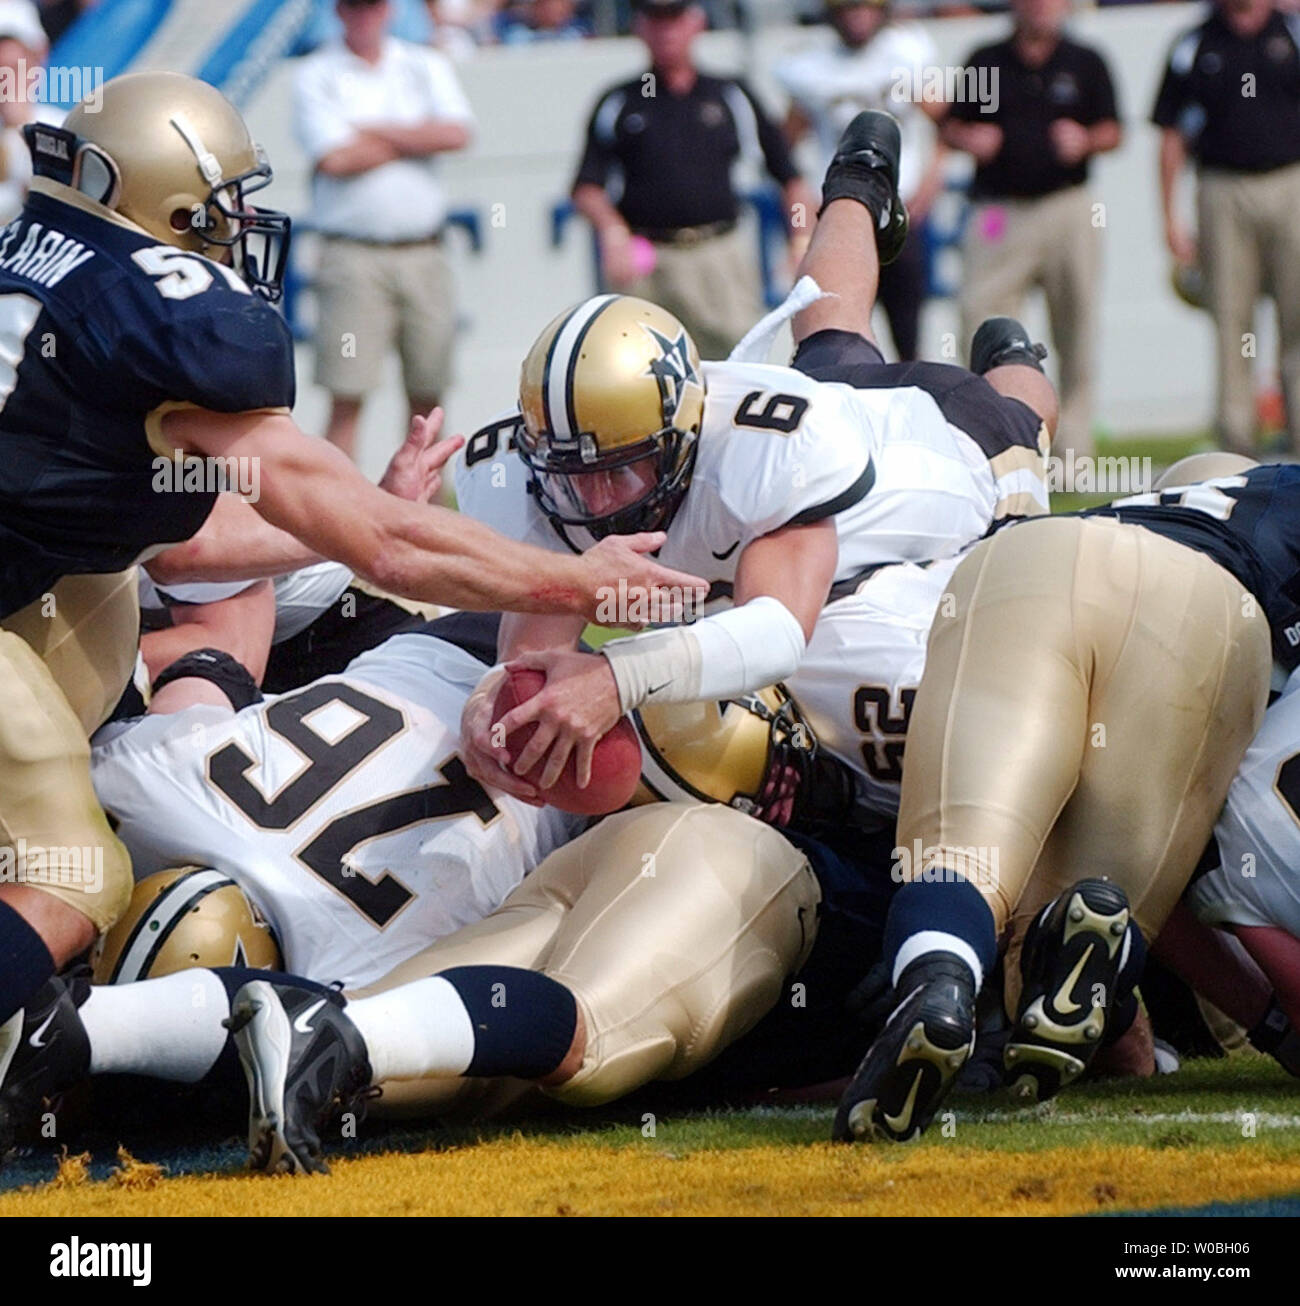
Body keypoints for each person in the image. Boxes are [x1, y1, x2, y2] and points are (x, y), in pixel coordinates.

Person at [0, 69, 702, 1051]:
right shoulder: (164, 320)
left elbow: (188, 536)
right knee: (77, 873)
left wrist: (362, 509)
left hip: (52, 625)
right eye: (220, 208)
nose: (236, 229)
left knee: (101, 604)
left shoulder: (31, 259)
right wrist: (580, 582)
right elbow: (385, 548)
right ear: (165, 199)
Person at [457, 111, 1055, 803]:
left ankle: (1008, 350)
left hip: (943, 443)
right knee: (832, 336)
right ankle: (860, 183)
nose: (593, 502)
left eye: (618, 469)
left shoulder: (766, 463)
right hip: (834, 405)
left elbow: (775, 631)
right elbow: (527, 658)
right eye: (572, 475)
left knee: (1023, 424)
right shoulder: (551, 474)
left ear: (684, 437)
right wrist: (488, 701)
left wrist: (616, 675)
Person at [832, 454, 1300, 1143]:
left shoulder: (1199, 500)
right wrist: (1273, 1020)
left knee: (966, 853)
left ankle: (937, 974)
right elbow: (1237, 849)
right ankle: (1070, 964)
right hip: (1203, 615)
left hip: (1023, 564)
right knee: (1098, 908)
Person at [571, 0, 816, 359]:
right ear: (640, 28)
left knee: (737, 367)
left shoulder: (729, 94)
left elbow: (791, 181)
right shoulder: (622, 101)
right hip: (649, 258)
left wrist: (800, 240)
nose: (666, 30)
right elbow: (587, 187)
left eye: (675, 18)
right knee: (639, 370)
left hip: (717, 253)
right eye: (655, 19)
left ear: (696, 23)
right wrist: (612, 230)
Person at [294, 0, 474, 461]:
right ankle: (339, 517)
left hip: (423, 251)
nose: (365, 15)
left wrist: (372, 132)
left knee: (429, 393)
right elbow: (335, 161)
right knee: (346, 393)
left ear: (388, 10)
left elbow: (457, 133)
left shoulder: (422, 63)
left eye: (372, 6)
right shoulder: (317, 72)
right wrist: (415, 137)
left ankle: (429, 513)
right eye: (356, 6)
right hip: (353, 255)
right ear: (339, 11)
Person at [941, 0, 1121, 460]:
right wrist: (971, 139)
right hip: (1000, 211)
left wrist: (1085, 140)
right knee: (980, 317)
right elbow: (951, 127)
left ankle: (1074, 455)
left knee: (1077, 327)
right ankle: (995, 447)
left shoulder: (1085, 61)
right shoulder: (987, 60)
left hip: (1067, 207)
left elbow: (1113, 130)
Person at [1153, 0, 1300, 455]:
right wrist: (1170, 218)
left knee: (1298, 315)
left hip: (1290, 183)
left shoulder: (1292, 33)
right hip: (1221, 190)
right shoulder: (1195, 44)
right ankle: (1237, 445)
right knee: (1232, 322)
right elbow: (1171, 135)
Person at [775, 0, 946, 360]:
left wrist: (931, 182)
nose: (858, 16)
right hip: (842, 217)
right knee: (837, 336)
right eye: (848, 8)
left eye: (865, 7)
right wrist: (803, 222)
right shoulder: (813, 67)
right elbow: (783, 153)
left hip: (900, 213)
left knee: (908, 338)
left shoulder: (903, 55)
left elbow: (947, 124)